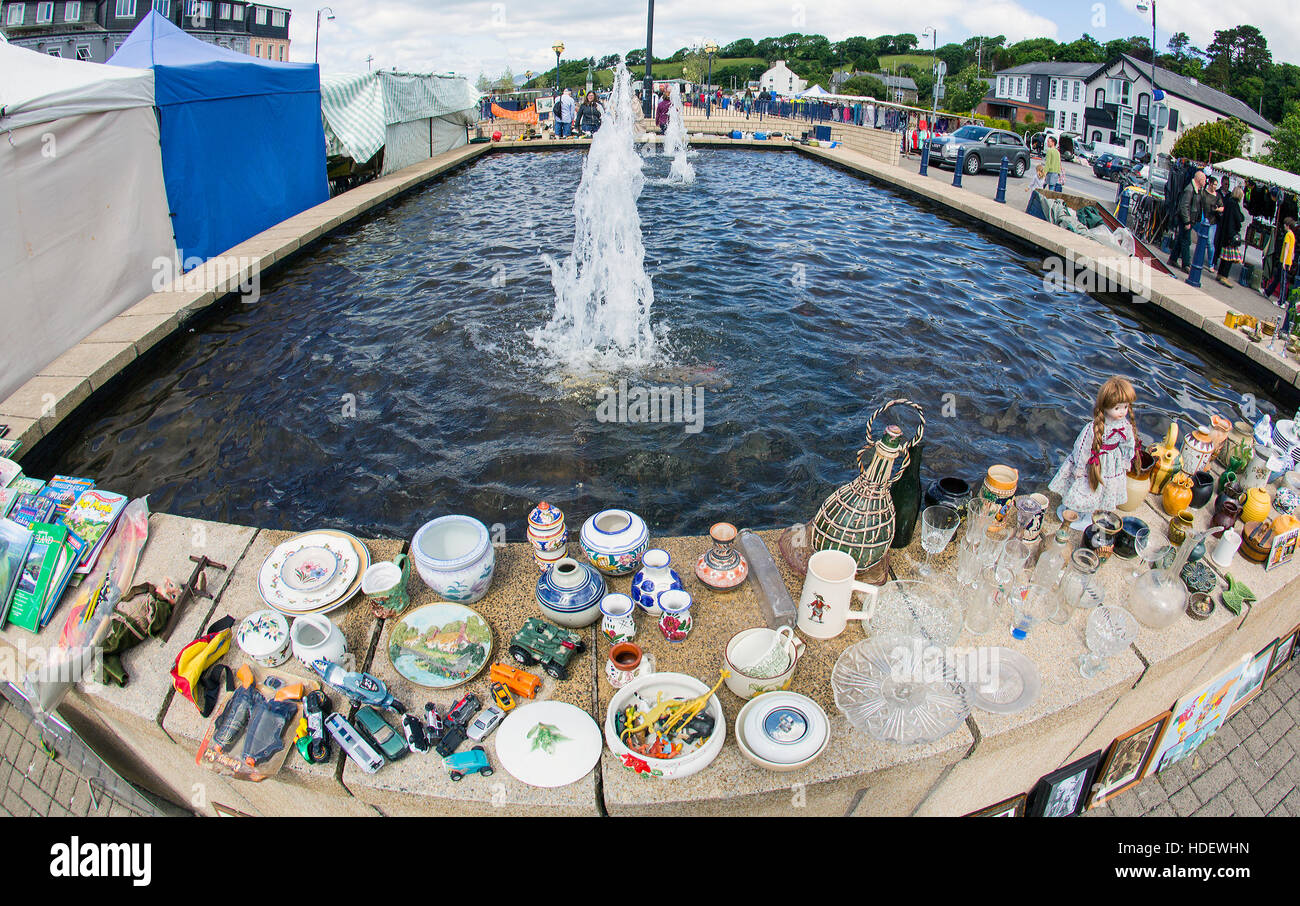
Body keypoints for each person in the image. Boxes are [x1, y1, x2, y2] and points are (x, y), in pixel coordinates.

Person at [1049, 377, 1139, 517]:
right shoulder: (1093, 428)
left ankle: (1092, 509)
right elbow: (1082, 447)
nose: (1122, 412)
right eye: (1117, 408)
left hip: (1111, 463)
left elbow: (1128, 444)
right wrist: (1079, 466)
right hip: (1094, 460)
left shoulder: (1125, 426)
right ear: (1105, 406)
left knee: (1105, 487)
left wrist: (1126, 460)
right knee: (1085, 486)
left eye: (1125, 407)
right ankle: (1075, 509)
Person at [1168, 169, 1206, 270]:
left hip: (1191, 220)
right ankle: (1186, 264)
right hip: (1185, 220)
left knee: (1181, 239)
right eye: (1204, 180)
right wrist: (1187, 221)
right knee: (1186, 241)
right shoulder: (1189, 189)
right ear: (1199, 180)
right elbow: (1184, 206)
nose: (1205, 182)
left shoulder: (1198, 191)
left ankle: (1173, 258)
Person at [1216, 186, 1247, 287]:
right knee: (1230, 258)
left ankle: (1219, 274)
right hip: (1231, 234)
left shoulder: (1228, 202)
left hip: (1224, 232)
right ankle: (1224, 276)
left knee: (1224, 257)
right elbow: (1239, 218)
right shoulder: (1234, 205)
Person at [1264, 217, 1296, 302]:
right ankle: (1267, 292)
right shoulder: (1293, 235)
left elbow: (1286, 248)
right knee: (1277, 278)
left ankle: (1281, 301)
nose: (1284, 226)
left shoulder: (1288, 235)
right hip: (1288, 261)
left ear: (1288, 226)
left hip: (1284, 261)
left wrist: (1284, 261)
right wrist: (1291, 262)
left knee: (1282, 281)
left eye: (1285, 225)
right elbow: (1292, 250)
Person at [1202, 175, 1224, 266]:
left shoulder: (1217, 195)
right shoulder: (1203, 193)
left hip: (1213, 221)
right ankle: (1199, 259)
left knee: (1210, 243)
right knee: (1202, 241)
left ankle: (1211, 264)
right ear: (1210, 184)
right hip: (1203, 219)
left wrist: (1217, 209)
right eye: (1214, 184)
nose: (1215, 186)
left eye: (1216, 185)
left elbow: (1222, 207)